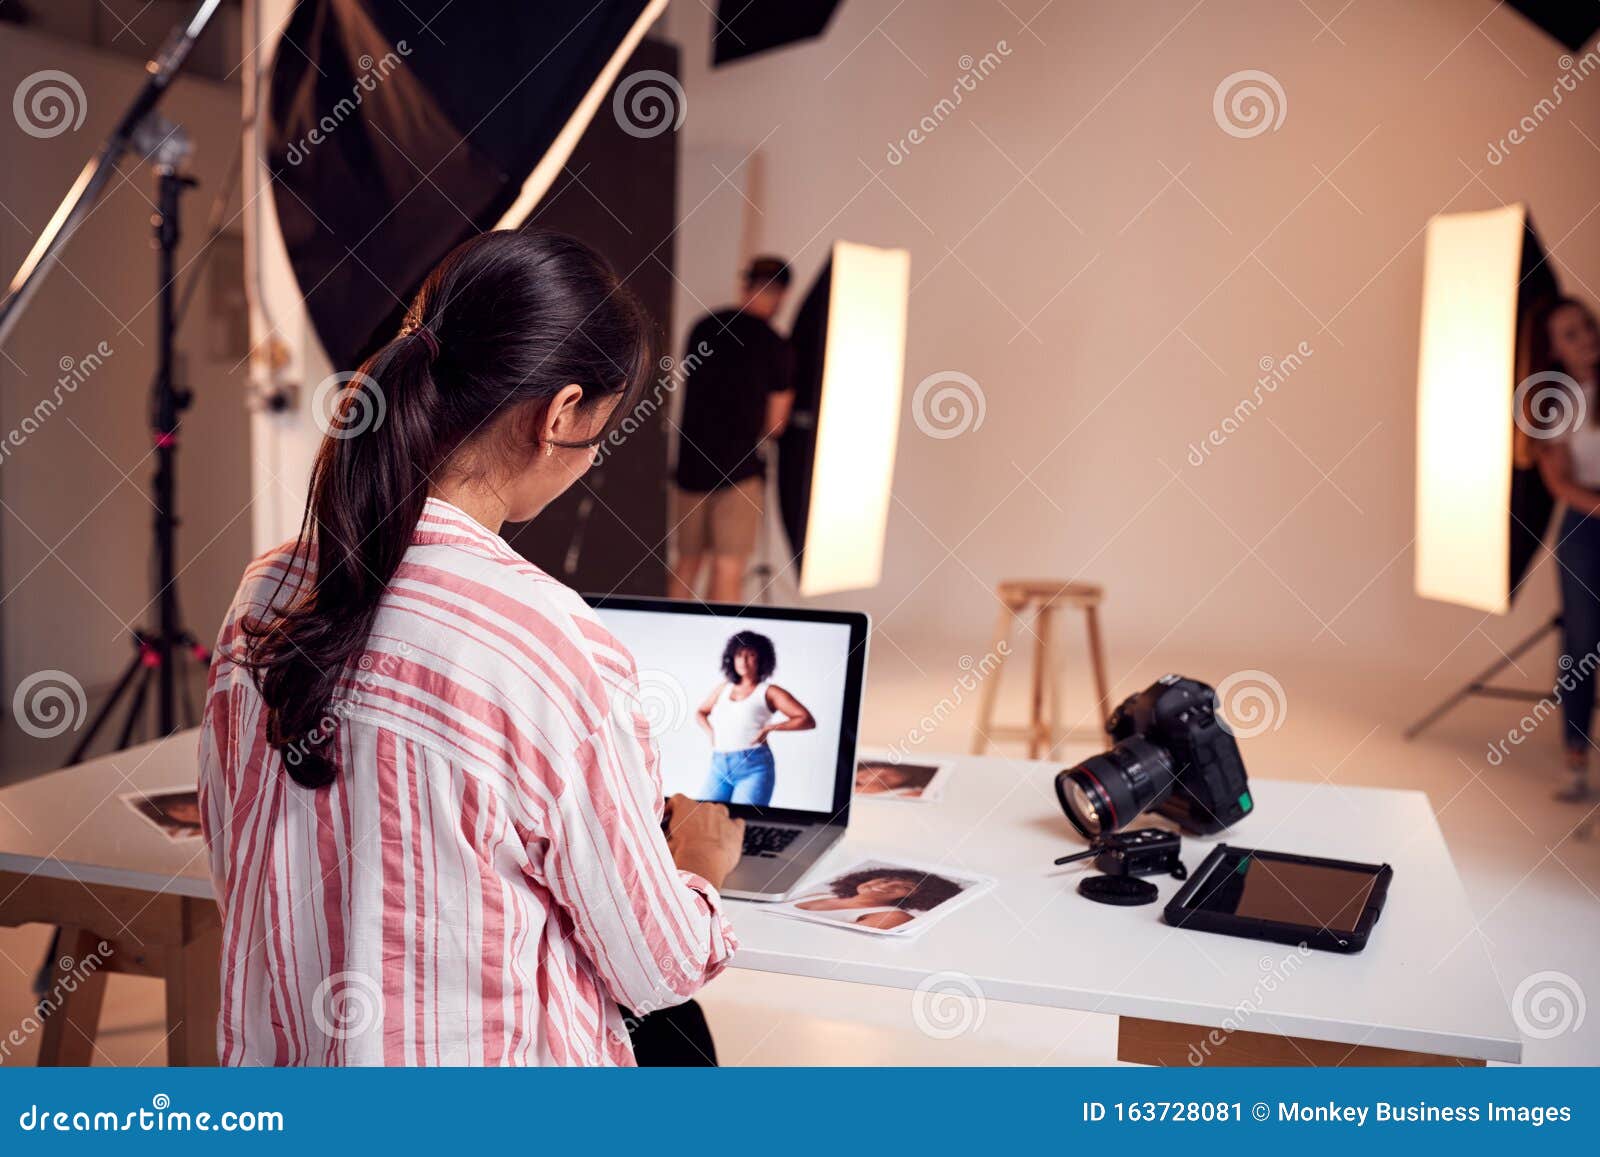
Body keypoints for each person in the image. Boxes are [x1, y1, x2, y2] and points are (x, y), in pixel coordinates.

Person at [198, 230, 746, 1066]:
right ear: (560, 415)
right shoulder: (551, 645)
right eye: (600, 428)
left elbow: (235, 848)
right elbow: (659, 965)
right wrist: (697, 865)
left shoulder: (265, 589)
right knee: (684, 1036)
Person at [670, 256, 795, 602]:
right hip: (739, 471)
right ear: (783, 294)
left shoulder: (703, 328)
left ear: (745, 284)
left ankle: (658, 648)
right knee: (728, 569)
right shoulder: (776, 345)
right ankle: (713, 651)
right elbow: (775, 425)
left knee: (686, 564)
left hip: (690, 467)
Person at [1530, 296, 1600, 802]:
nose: (1585, 339)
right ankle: (1575, 758)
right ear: (1554, 348)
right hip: (1585, 524)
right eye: (1570, 334)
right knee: (1582, 641)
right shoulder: (1557, 403)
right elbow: (1560, 482)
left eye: (1588, 327)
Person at [695, 630, 814, 806]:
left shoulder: (769, 691)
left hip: (753, 766)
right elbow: (701, 712)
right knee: (701, 818)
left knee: (744, 823)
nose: (743, 661)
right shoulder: (724, 688)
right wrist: (711, 732)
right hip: (719, 765)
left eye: (750, 655)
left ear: (761, 659)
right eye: (739, 655)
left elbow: (806, 719)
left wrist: (770, 728)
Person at [792, 869, 964, 931]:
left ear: (914, 897)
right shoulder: (820, 895)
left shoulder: (892, 917)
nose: (886, 886)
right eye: (886, 879)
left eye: (904, 887)